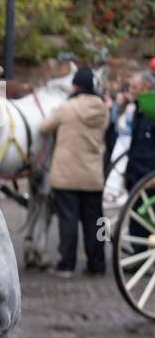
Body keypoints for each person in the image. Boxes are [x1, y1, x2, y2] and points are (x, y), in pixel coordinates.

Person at [41, 66, 109, 277]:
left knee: (68, 221)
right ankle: (97, 264)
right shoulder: (103, 110)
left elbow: (44, 127)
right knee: (96, 222)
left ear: (75, 85)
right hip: (93, 175)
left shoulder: (67, 108)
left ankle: (66, 265)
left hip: (67, 175)